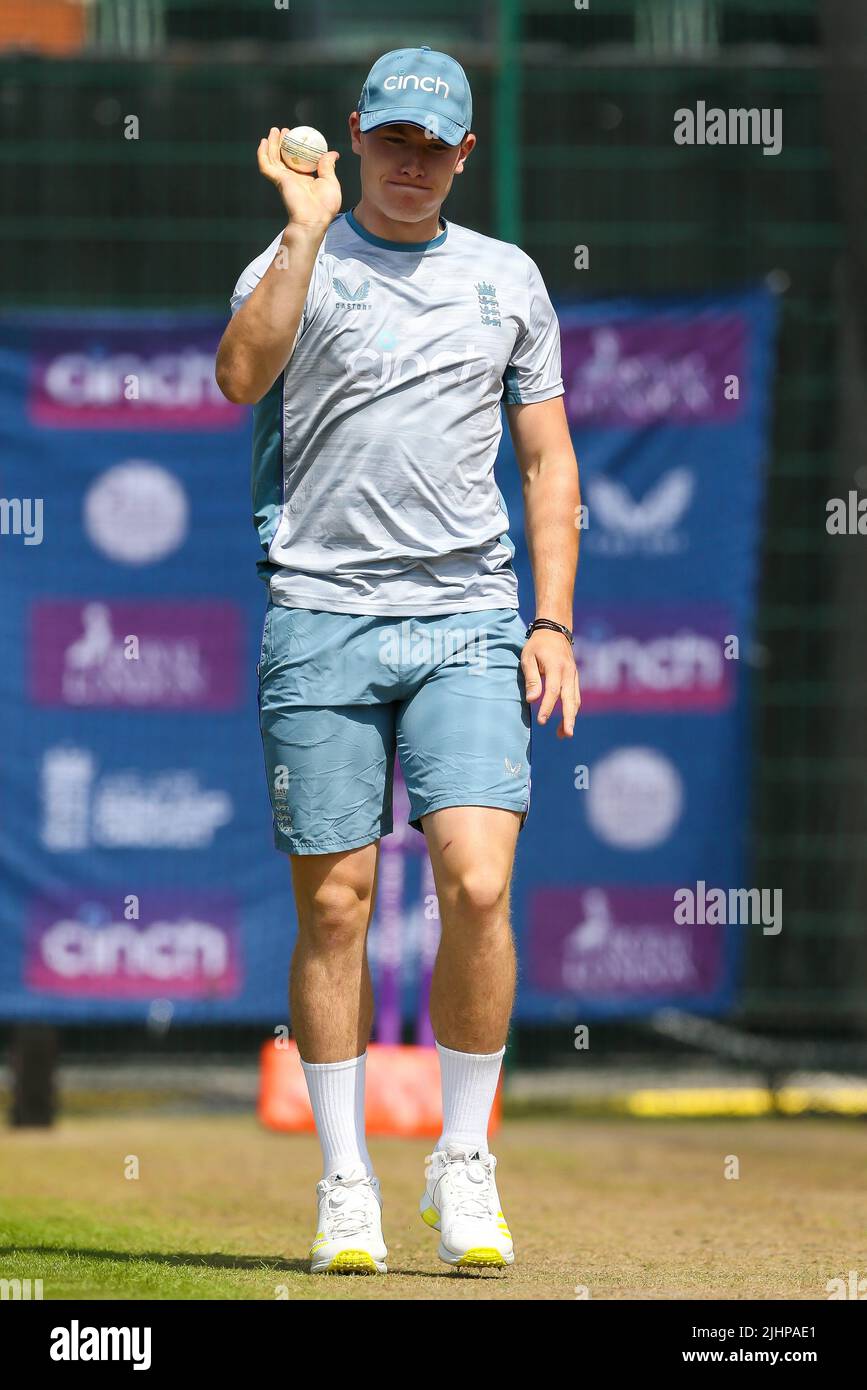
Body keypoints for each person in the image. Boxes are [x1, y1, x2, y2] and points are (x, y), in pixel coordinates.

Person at [215, 44, 581, 1275]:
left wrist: (553, 619)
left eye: (436, 145)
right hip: (319, 610)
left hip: (470, 616)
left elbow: (546, 464)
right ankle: (345, 1183)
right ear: (357, 136)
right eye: (393, 139)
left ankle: (463, 1162)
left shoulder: (509, 280)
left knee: (477, 881)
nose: (412, 162)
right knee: (336, 902)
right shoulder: (297, 256)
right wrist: (305, 232)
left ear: (466, 154)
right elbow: (236, 376)